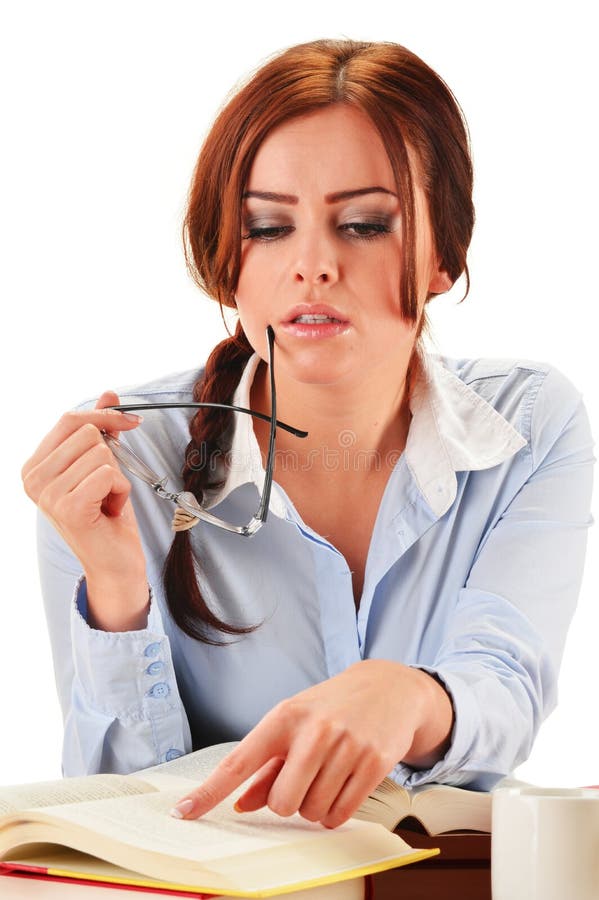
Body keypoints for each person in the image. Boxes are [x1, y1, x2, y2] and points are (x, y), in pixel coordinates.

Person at [22, 38, 594, 831]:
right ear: (226, 262)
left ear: (444, 255)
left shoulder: (525, 426)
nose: (313, 265)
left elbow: (505, 686)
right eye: (267, 227)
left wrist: (407, 696)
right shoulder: (119, 465)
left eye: (362, 224)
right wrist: (118, 595)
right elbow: (124, 821)